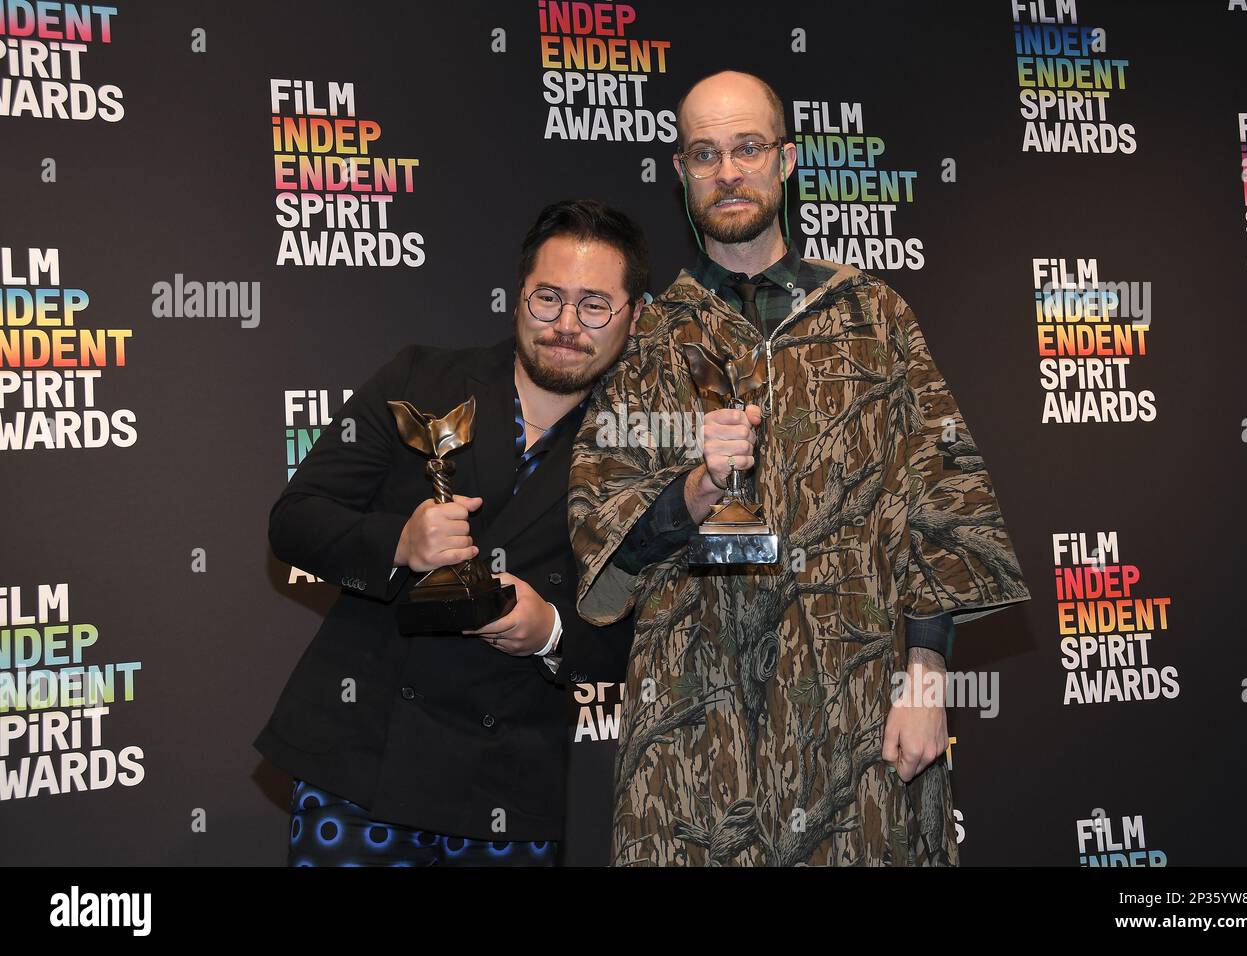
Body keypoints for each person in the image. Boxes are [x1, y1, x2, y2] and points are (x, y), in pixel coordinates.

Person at [568, 71, 1031, 866]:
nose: (729, 171)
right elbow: (605, 542)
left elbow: (943, 492)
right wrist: (695, 489)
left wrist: (926, 684)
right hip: (693, 735)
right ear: (680, 174)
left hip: (857, 716)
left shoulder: (873, 316)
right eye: (705, 154)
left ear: (786, 160)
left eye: (747, 147)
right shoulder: (647, 340)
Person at [255, 198, 646, 866]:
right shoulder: (421, 379)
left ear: (632, 318)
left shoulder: (642, 449)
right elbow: (295, 522)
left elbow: (655, 628)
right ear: (517, 296)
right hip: (363, 766)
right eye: (548, 298)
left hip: (510, 789)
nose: (566, 325)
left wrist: (550, 629)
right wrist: (399, 544)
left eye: (594, 305)